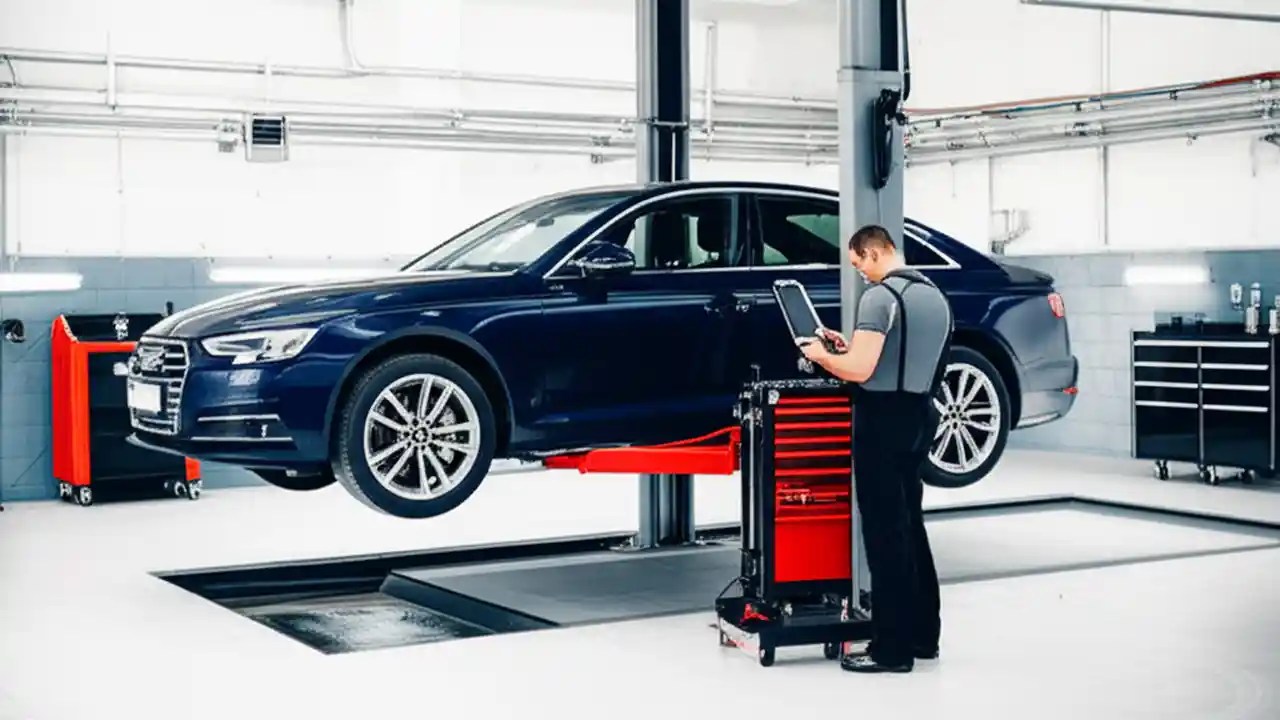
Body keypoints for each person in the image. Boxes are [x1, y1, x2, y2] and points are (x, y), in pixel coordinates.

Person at [800, 224, 953, 674]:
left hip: (882, 421)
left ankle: (890, 650)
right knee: (911, 528)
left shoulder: (881, 297)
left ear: (872, 253)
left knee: (885, 537)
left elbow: (861, 369)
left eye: (858, 264)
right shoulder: (933, 295)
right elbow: (900, 356)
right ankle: (924, 637)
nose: (861, 275)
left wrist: (822, 355)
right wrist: (847, 350)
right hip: (918, 415)